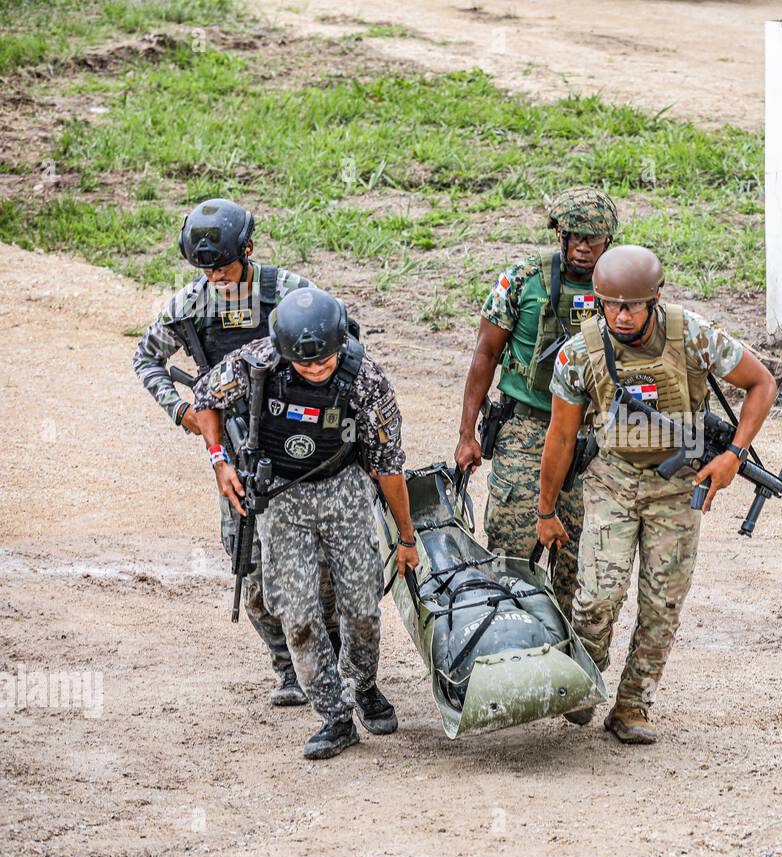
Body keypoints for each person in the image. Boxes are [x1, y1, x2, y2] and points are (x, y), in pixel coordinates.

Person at [535, 245, 778, 743]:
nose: (622, 316)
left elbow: (762, 383)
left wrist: (733, 454)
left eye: (633, 305)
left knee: (662, 603)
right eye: (611, 305)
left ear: (656, 298)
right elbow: (560, 437)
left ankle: (632, 705)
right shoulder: (578, 353)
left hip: (678, 485)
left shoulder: (690, 334)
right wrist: (545, 508)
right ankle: (585, 674)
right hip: (613, 478)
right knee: (596, 598)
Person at [193, 288, 420, 759]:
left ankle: (363, 686)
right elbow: (205, 397)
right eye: (304, 364)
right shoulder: (258, 362)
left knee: (360, 608)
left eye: (325, 361)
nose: (316, 370)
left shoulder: (367, 381)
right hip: (283, 498)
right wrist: (220, 460)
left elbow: (388, 466)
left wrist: (405, 535)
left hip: (344, 490)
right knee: (296, 615)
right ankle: (335, 717)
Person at [132, 198, 338, 707]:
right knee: (251, 565)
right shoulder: (189, 306)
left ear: (248, 250)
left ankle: (328, 659)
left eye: (223, 266)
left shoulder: (289, 293)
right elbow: (146, 358)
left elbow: (342, 334)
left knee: (324, 562)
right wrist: (181, 411)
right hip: (235, 446)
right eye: (205, 269)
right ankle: (287, 666)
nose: (216, 277)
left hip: (300, 437)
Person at [454, 187, 617, 620]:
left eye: (593, 239)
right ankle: (501, 639)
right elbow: (485, 354)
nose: (583, 247)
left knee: (582, 559)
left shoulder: (622, 291)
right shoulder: (523, 279)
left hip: (589, 436)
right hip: (527, 428)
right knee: (510, 550)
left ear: (608, 242)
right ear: (559, 234)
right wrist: (466, 434)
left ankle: (569, 654)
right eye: (574, 236)